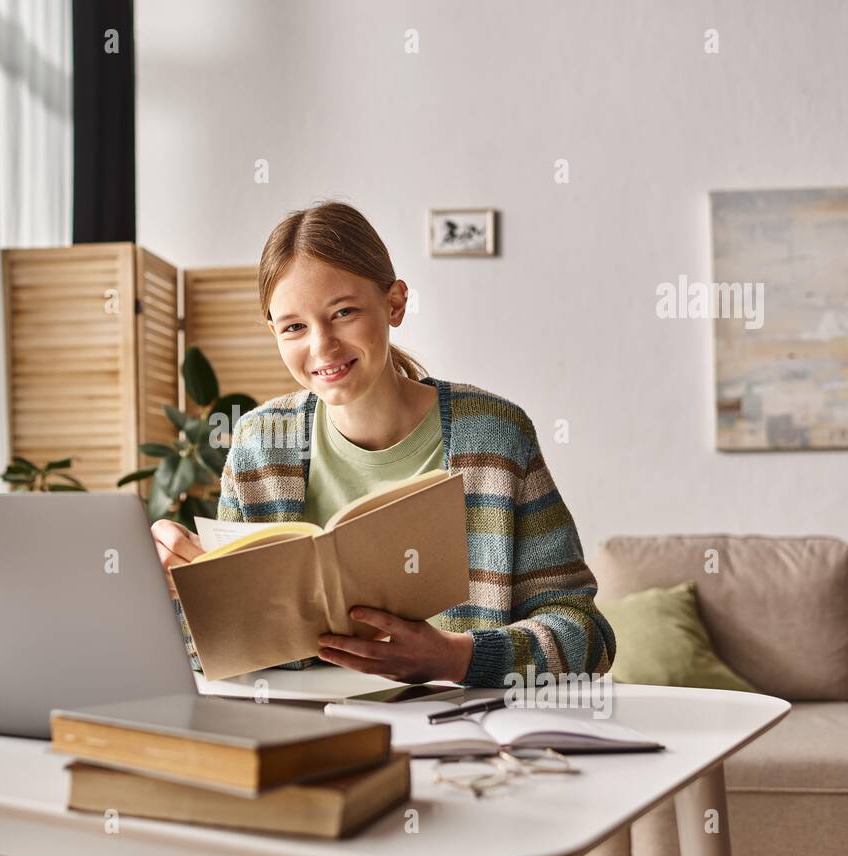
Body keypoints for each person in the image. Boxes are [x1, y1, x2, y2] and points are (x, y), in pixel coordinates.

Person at [152, 200, 614, 687]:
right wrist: (184, 596)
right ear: (274, 332)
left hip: (459, 737)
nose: (321, 346)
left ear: (394, 303)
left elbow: (589, 637)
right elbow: (225, 656)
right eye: (294, 327)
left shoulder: (496, 435)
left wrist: (457, 658)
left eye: (343, 312)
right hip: (308, 732)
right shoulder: (259, 446)